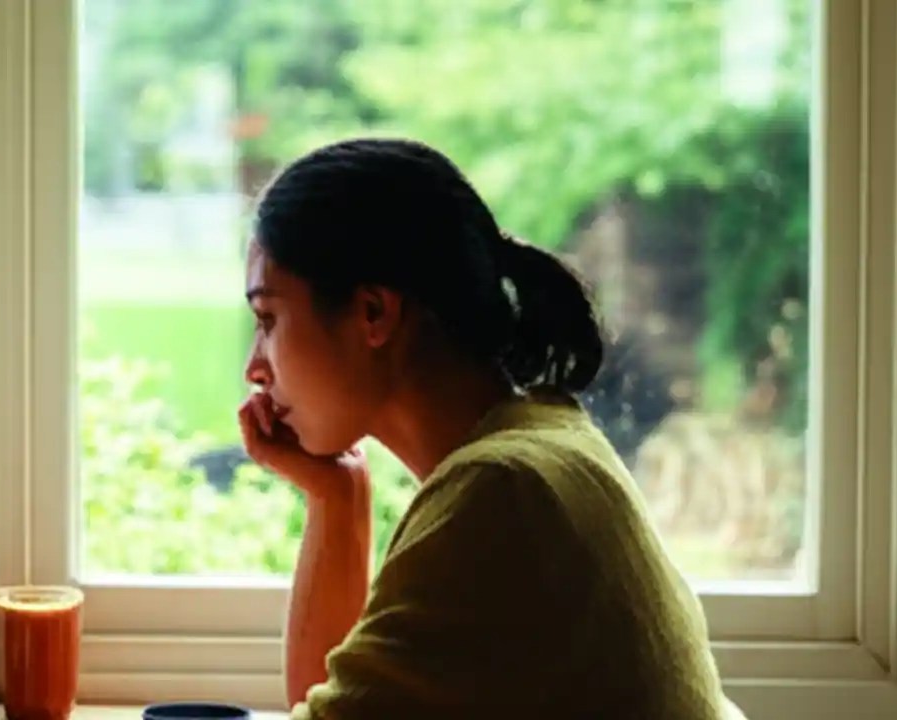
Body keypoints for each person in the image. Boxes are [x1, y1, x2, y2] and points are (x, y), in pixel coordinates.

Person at [239, 137, 746, 720]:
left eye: (268, 318)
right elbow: (337, 705)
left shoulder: (500, 495)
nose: (255, 367)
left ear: (373, 313)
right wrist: (336, 496)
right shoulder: (549, 439)